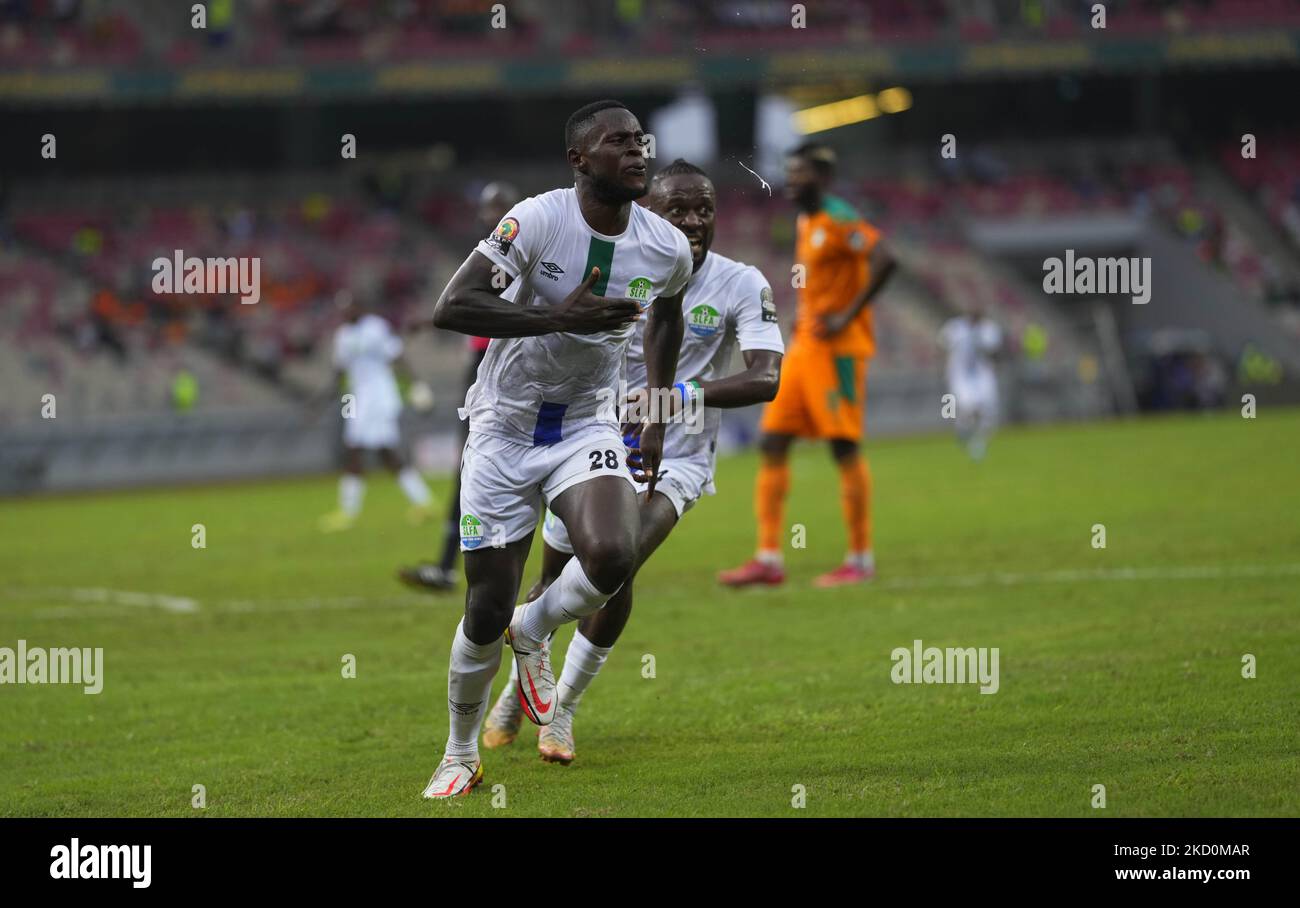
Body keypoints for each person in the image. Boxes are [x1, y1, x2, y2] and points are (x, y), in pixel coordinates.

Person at [419, 100, 692, 798]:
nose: (637, 153)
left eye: (640, 141)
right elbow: (452, 306)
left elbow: (666, 314)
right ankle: (457, 752)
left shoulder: (666, 247)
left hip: (585, 424)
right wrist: (552, 317)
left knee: (611, 554)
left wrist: (657, 405)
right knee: (484, 609)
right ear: (579, 160)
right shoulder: (538, 219)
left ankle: (535, 629)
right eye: (617, 143)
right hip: (504, 427)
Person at [481, 159, 785, 764]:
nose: (694, 221)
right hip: (590, 440)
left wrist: (672, 400)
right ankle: (520, 689)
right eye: (679, 210)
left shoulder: (742, 282)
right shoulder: (618, 267)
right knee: (562, 573)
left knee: (617, 563)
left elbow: (766, 377)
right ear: (650, 214)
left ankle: (560, 711)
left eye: (704, 210)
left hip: (679, 458)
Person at [719, 143, 895, 589]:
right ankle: (769, 558)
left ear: (822, 177)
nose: (791, 182)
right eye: (789, 174)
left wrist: (847, 315)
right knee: (773, 441)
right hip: (802, 348)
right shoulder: (805, 219)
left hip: (838, 349)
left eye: (800, 175)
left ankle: (860, 558)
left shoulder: (839, 218)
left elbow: (886, 259)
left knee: (843, 447)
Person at [398, 181, 521, 592]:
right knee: (469, 463)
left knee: (528, 461)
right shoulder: (484, 254)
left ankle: (567, 559)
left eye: (500, 207)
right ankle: (450, 565)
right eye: (487, 209)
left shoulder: (525, 253)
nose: (493, 215)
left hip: (511, 364)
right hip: (478, 366)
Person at [318, 295, 434, 532]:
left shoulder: (375, 327)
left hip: (381, 396)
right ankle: (424, 502)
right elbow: (339, 373)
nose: (346, 313)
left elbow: (398, 357)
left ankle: (348, 511)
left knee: (362, 449)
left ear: (360, 306)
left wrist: (416, 384)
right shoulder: (342, 336)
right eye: (342, 309)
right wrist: (323, 401)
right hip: (357, 398)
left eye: (350, 307)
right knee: (379, 452)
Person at [939, 304, 1003, 460]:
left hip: (982, 374)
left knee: (989, 409)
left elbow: (995, 352)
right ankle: (964, 430)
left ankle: (978, 441)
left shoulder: (989, 329)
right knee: (968, 407)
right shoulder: (955, 328)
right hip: (960, 374)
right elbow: (942, 345)